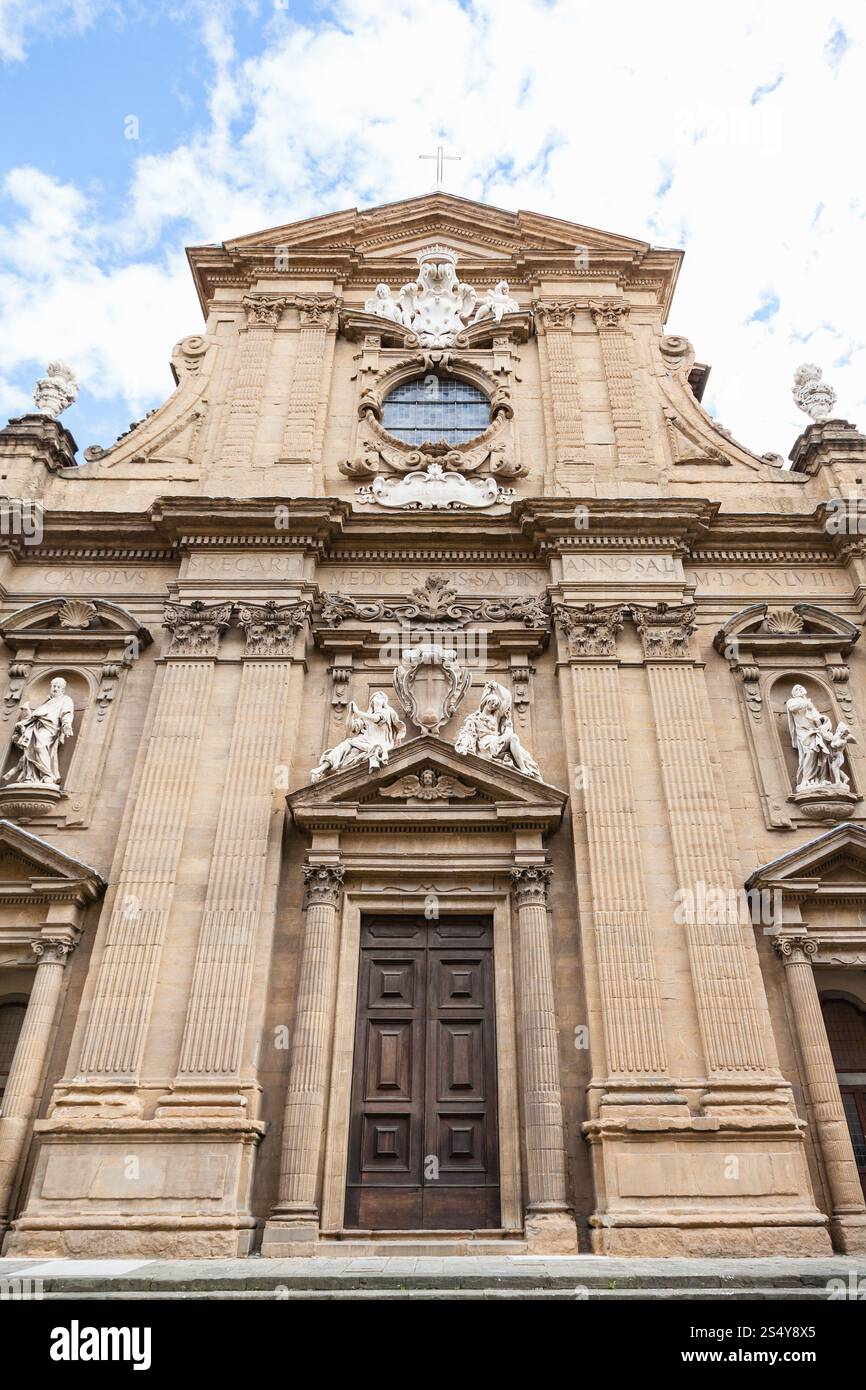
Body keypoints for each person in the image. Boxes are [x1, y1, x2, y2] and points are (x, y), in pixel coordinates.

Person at [310, 691, 406, 782]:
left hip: (378, 744)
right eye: (375, 697)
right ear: (371, 702)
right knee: (345, 744)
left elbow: (376, 719)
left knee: (352, 753)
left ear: (384, 701)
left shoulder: (387, 712)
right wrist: (351, 713)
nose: (377, 699)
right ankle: (321, 769)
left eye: (380, 698)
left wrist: (357, 711)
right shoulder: (366, 716)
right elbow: (351, 727)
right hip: (364, 742)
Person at [3, 676, 75, 787]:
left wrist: (66, 725)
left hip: (50, 728)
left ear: (63, 689)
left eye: (58, 687)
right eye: (54, 686)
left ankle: (48, 775)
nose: (55, 689)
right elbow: (37, 715)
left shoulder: (66, 700)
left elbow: (67, 713)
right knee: (30, 749)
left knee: (40, 747)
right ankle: (30, 776)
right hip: (37, 727)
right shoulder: (47, 701)